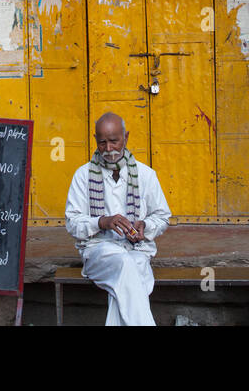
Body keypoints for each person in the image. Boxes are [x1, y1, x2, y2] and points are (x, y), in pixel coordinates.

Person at [64, 112, 171, 326]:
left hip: (137, 250)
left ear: (126, 137)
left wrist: (145, 226)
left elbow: (162, 216)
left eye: (114, 141)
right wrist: (101, 222)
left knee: (130, 274)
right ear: (95, 141)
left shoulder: (146, 174)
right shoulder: (82, 175)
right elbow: (72, 223)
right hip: (98, 251)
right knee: (126, 266)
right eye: (102, 143)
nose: (109, 149)